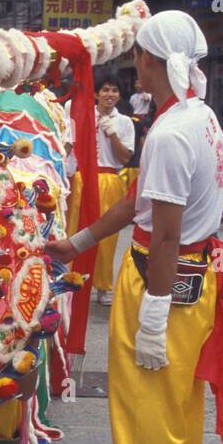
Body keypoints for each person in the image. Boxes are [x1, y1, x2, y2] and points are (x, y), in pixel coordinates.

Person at [44, 10, 223, 444]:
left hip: (166, 277)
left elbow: (162, 231)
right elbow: (139, 202)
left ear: (149, 59)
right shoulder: (197, 118)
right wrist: (80, 242)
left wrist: (153, 315)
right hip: (189, 277)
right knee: (176, 408)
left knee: (146, 411)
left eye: (138, 52)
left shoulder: (170, 132)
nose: (133, 62)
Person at [66, 76, 135, 306]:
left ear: (120, 96)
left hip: (109, 179)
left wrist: (112, 133)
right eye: (105, 89)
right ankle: (69, 278)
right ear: (96, 94)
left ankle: (103, 286)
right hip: (82, 178)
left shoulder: (124, 122)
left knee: (106, 236)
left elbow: (126, 157)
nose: (110, 94)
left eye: (114, 90)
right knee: (76, 229)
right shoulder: (82, 114)